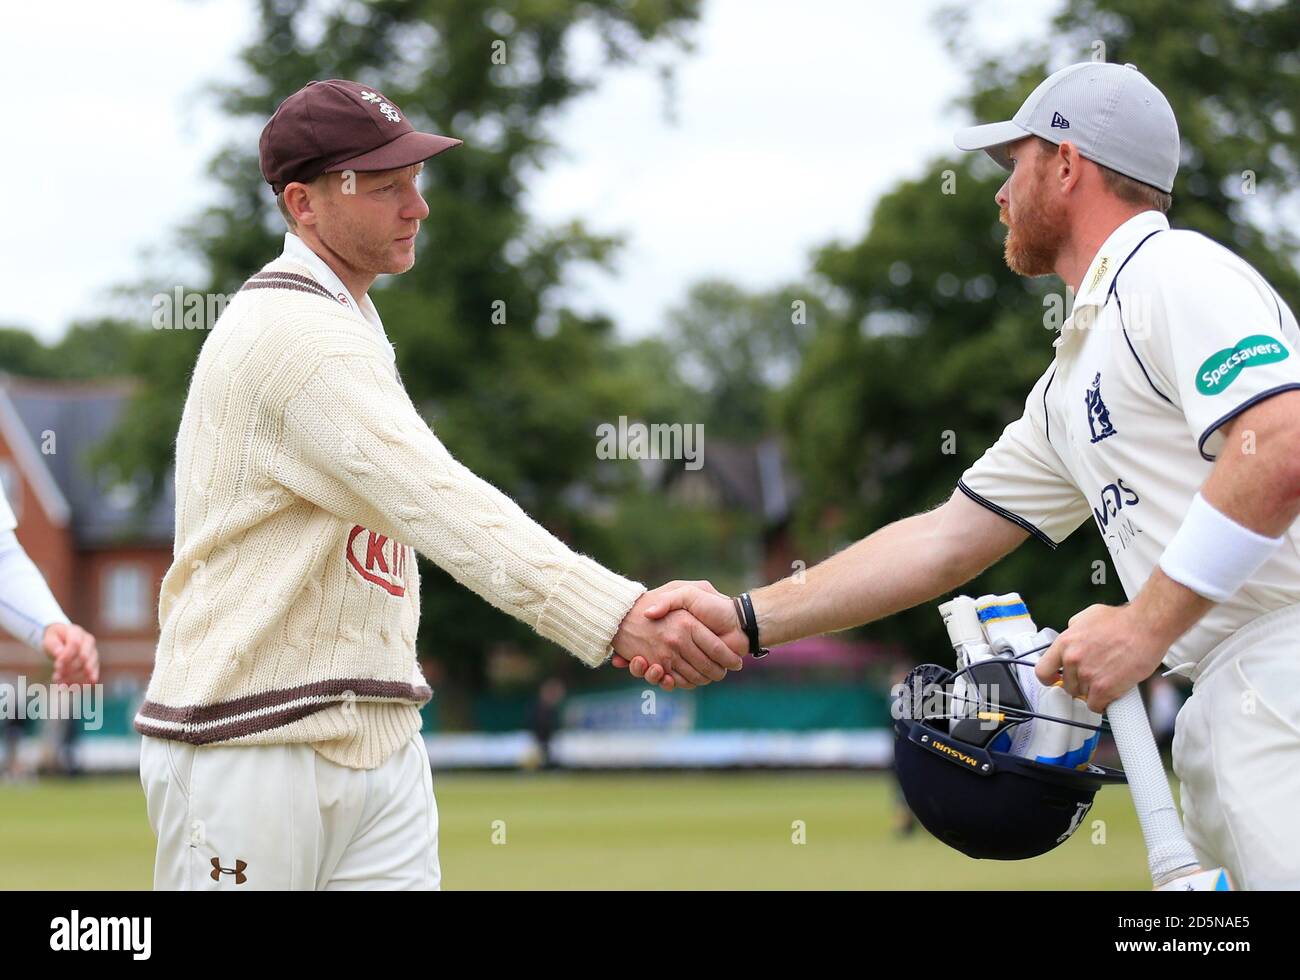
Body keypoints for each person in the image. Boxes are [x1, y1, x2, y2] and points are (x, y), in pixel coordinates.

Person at [623, 62, 1300, 890]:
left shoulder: (1173, 273)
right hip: (1233, 701)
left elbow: (1282, 443)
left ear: (1065, 163)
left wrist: (1144, 627)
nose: (999, 193)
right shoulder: (1067, 383)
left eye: (1011, 162)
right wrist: (744, 618)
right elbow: (944, 543)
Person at [135, 79, 745, 891]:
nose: (417, 207)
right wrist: (620, 617)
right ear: (303, 203)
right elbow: (442, 504)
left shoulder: (345, 321)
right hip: (249, 742)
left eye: (414, 182)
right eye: (386, 187)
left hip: (378, 730)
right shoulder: (294, 336)